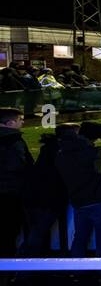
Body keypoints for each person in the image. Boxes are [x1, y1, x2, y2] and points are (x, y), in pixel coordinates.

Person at [55, 123, 101, 258]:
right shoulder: (92, 154)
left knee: (80, 237)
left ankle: (76, 270)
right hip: (99, 199)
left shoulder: (61, 154)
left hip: (78, 201)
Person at [22, 133, 65, 256]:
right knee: (36, 235)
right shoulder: (55, 162)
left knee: (36, 234)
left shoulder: (42, 161)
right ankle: (23, 269)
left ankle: (32, 267)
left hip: (33, 201)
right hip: (47, 202)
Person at [0, 108, 32, 257]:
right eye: (20, 120)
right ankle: (7, 273)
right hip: (10, 194)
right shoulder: (13, 140)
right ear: (11, 122)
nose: (23, 122)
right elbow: (19, 166)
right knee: (9, 234)